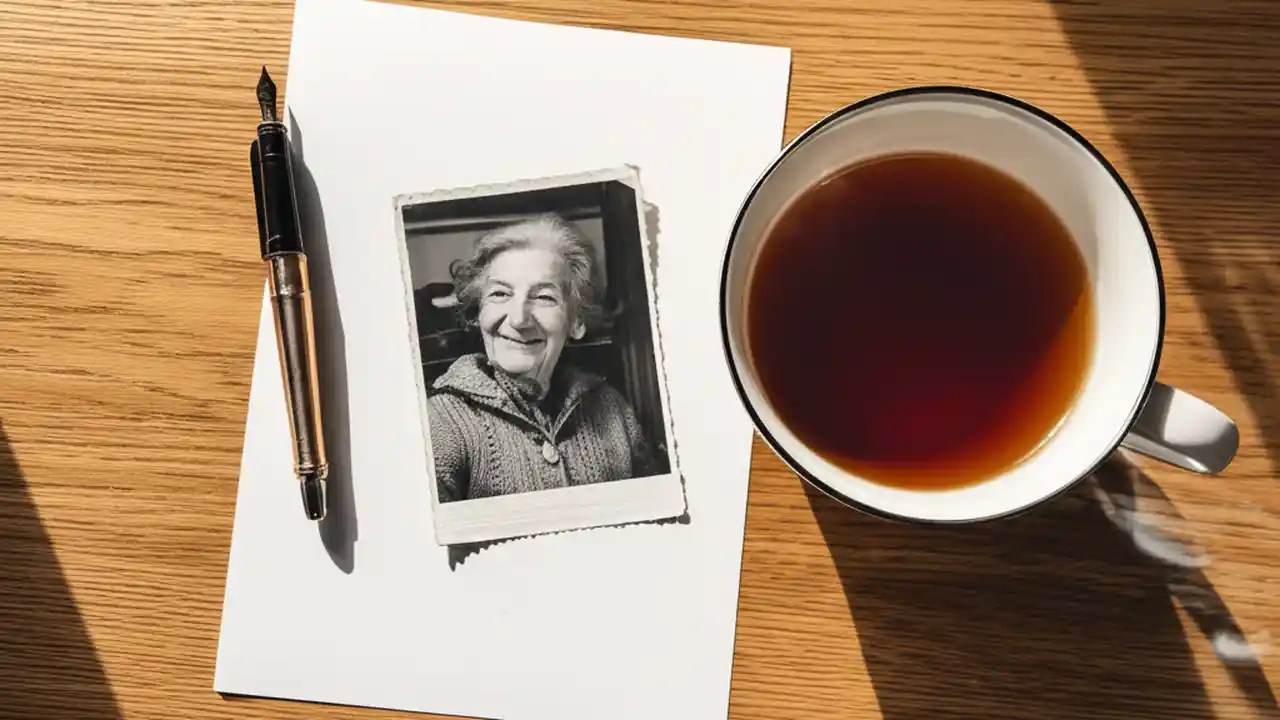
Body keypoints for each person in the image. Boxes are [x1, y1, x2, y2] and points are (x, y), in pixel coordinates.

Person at [426, 213, 660, 502]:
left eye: (544, 297)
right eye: (500, 293)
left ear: (576, 321)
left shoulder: (614, 410)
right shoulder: (441, 422)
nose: (519, 318)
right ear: (478, 312)